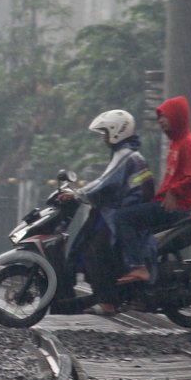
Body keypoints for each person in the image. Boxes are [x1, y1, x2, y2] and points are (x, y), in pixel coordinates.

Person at [60, 109, 155, 315]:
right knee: (92, 246)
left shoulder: (125, 155)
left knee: (93, 250)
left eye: (105, 133)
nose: (103, 138)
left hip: (123, 213)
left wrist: (77, 194)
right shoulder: (130, 154)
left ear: (116, 131)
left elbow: (104, 182)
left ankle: (107, 302)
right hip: (124, 211)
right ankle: (108, 297)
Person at [114, 96, 191, 284]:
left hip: (176, 207)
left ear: (178, 117)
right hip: (168, 203)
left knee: (122, 217)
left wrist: (173, 191)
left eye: (165, 117)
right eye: (159, 118)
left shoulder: (187, 143)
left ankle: (138, 267)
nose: (161, 122)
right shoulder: (176, 143)